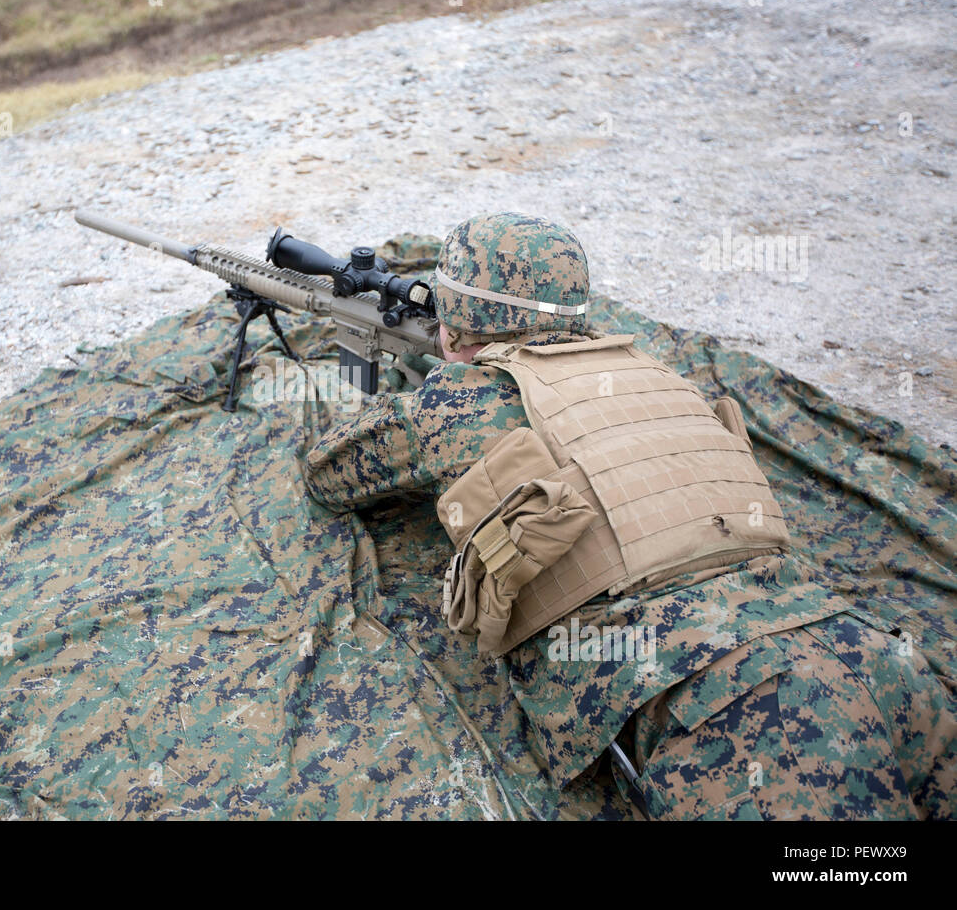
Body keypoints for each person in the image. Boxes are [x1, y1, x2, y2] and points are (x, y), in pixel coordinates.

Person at [304, 212, 956, 819]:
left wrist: (384, 373)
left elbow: (329, 471)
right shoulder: (663, 376)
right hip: (876, 653)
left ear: (452, 327)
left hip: (742, 705)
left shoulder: (457, 402)